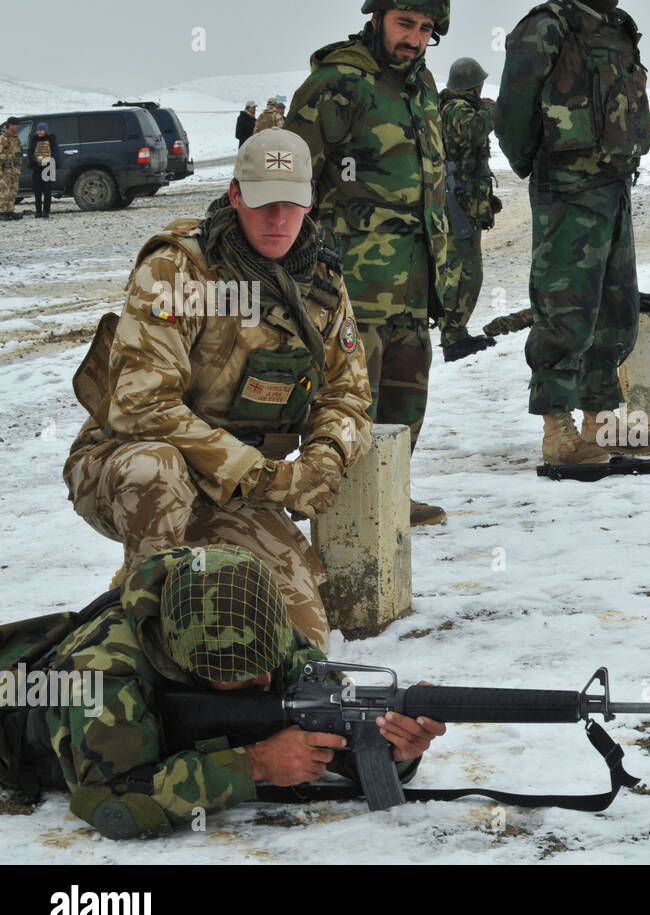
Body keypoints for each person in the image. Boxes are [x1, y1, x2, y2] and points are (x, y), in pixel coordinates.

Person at [62, 128, 373, 651]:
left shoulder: (320, 280)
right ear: (234, 196)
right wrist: (266, 477)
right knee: (156, 471)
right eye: (261, 203)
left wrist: (324, 458)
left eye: (291, 204)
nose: (277, 220)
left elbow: (348, 393)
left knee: (299, 644)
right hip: (128, 466)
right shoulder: (178, 269)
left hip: (238, 489)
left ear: (310, 201)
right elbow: (143, 406)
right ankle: (140, 625)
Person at [1, 545, 443, 840]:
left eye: (266, 667)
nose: (266, 684)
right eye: (243, 679)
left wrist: (391, 746)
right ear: (188, 666)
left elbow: (330, 724)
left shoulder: (255, 631)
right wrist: (252, 764)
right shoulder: (104, 674)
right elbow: (112, 803)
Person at [286, 0, 454, 526]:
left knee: (407, 397)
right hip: (352, 279)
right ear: (378, 18)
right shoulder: (340, 81)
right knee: (350, 398)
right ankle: (338, 509)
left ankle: (387, 496)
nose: (415, 38)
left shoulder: (421, 85)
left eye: (426, 29)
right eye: (406, 24)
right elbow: (292, 176)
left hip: (413, 278)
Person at [494, 0, 650, 462]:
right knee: (565, 309)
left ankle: (600, 421)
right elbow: (514, 109)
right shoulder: (547, 26)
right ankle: (557, 427)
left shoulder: (617, 28)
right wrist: (537, 166)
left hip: (614, 185)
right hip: (567, 188)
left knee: (616, 307)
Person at [439, 57, 503, 353]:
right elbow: (476, 130)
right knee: (465, 272)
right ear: (475, 86)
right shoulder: (458, 109)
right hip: (459, 205)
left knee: (462, 268)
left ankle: (455, 331)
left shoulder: (450, 107)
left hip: (463, 201)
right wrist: (491, 108)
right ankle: (453, 335)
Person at [28, 122, 57, 219]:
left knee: (47, 191)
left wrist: (48, 162)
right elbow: (30, 152)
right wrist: (35, 162)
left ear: (45, 130)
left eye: (41, 130)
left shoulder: (51, 139)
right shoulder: (34, 139)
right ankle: (38, 211)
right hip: (37, 168)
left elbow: (55, 152)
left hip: (48, 168)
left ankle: (46, 211)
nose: (39, 132)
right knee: (37, 191)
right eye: (38, 130)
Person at [0, 117, 21, 222]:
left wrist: (18, 168)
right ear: (11, 125)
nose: (18, 127)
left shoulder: (15, 138)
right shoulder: (3, 138)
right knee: (4, 191)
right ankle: (2, 211)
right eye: (16, 125)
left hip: (14, 170)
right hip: (4, 170)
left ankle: (10, 211)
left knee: (13, 191)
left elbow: (18, 154)